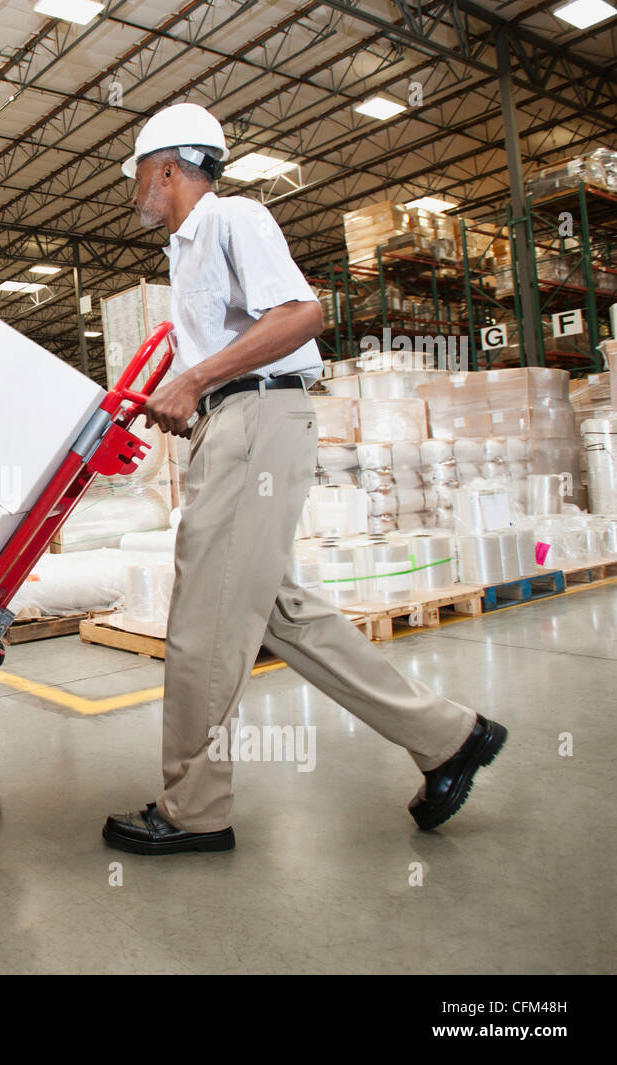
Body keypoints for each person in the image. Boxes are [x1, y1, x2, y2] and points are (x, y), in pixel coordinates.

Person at [102, 103, 507, 855]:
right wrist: (197, 397)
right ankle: (450, 737)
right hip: (238, 420)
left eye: (139, 177)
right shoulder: (185, 252)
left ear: (167, 168)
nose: (136, 193)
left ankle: (195, 810)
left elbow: (301, 316)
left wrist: (196, 381)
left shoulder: (233, 220)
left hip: (257, 420)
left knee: (201, 623)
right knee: (277, 609)